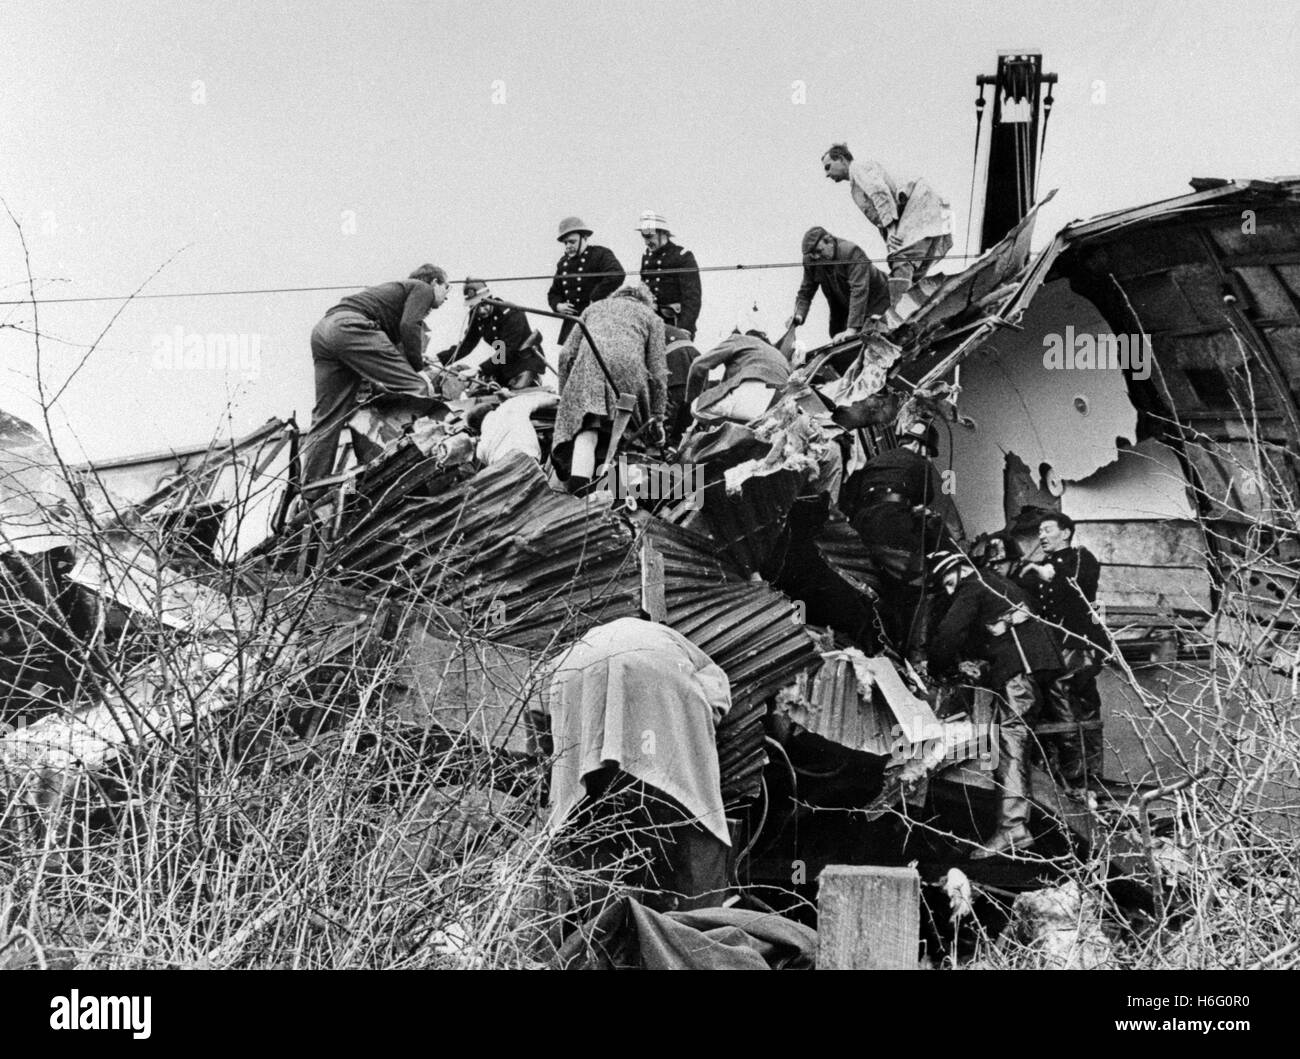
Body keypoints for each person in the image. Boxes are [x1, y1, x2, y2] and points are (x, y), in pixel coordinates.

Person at [927, 549, 1065, 859]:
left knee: (1011, 738)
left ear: (961, 570)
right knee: (1014, 735)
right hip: (1035, 665)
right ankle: (1009, 822)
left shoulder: (974, 585)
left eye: (949, 582)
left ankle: (1013, 827)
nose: (950, 591)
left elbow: (949, 633)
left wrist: (937, 668)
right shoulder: (997, 582)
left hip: (1021, 672)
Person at [301, 264, 450, 486]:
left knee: (329, 416)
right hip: (351, 327)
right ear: (435, 282)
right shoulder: (422, 288)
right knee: (416, 387)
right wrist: (418, 369)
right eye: (447, 288)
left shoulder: (390, 300)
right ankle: (414, 464)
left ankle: (311, 489)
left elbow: (379, 362)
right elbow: (410, 325)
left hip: (324, 332)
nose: (447, 296)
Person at [838, 420, 962, 653]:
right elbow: (924, 497)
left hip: (860, 527)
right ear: (920, 447)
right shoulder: (920, 464)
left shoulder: (875, 461)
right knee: (916, 587)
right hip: (893, 530)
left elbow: (854, 493)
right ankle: (908, 651)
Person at [1017, 512, 1109, 789]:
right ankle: (1084, 772)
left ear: (1066, 533)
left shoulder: (1080, 557)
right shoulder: (1044, 564)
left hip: (1079, 643)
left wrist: (1048, 573)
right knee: (1079, 700)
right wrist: (1031, 571)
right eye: (1040, 531)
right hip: (1057, 645)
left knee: (1063, 690)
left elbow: (1077, 585)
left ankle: (1078, 772)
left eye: (1047, 530)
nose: (1041, 535)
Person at [555, 284, 667, 489]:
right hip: (631, 373)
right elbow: (658, 372)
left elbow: (565, 355)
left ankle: (580, 495)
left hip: (589, 367)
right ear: (646, 302)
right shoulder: (653, 318)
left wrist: (566, 397)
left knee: (587, 428)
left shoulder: (593, 308)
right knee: (631, 438)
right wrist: (657, 417)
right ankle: (626, 497)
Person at [821, 143, 953, 307]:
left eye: (828, 167)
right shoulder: (855, 186)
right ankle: (912, 307)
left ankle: (896, 312)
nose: (827, 174)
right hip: (930, 211)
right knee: (910, 269)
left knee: (901, 259)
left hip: (920, 205)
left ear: (840, 159)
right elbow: (880, 218)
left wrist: (891, 231)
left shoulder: (858, 168)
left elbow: (880, 193)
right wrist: (889, 237)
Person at [437, 277, 547, 390]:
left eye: (483, 305)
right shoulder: (477, 316)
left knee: (515, 396)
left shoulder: (511, 313)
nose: (481, 311)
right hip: (502, 366)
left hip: (524, 365)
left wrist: (479, 369)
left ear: (490, 299)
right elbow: (467, 344)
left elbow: (507, 350)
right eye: (474, 306)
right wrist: (439, 358)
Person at [788, 226, 890, 342]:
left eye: (819, 252)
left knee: (874, 337)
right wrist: (798, 316)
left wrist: (851, 329)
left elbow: (859, 290)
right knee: (838, 338)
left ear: (829, 241)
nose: (817, 257)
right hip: (849, 310)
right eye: (812, 255)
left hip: (880, 302)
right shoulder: (811, 260)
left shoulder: (851, 252)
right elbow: (806, 292)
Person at [686, 315, 791, 425]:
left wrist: (691, 399)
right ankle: (753, 427)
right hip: (779, 402)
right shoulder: (779, 355)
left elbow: (698, 366)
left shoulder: (739, 339)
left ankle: (744, 428)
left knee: (696, 407)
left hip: (752, 394)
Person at [548, 217, 625, 343]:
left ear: (584, 238)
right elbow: (554, 293)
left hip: (597, 320)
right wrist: (558, 306)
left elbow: (616, 274)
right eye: (565, 243)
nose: (568, 246)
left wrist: (595, 297)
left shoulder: (600, 254)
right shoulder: (563, 263)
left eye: (572, 242)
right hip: (572, 323)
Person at [636, 210, 702, 338]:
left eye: (649, 237)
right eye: (644, 237)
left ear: (663, 233)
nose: (646, 242)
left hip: (674, 322)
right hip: (652, 322)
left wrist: (684, 328)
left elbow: (692, 297)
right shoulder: (646, 256)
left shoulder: (682, 256)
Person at [662, 324, 701, 446]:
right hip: (694, 362)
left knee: (669, 411)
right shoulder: (668, 327)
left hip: (676, 362)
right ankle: (677, 447)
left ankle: (667, 447)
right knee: (687, 413)